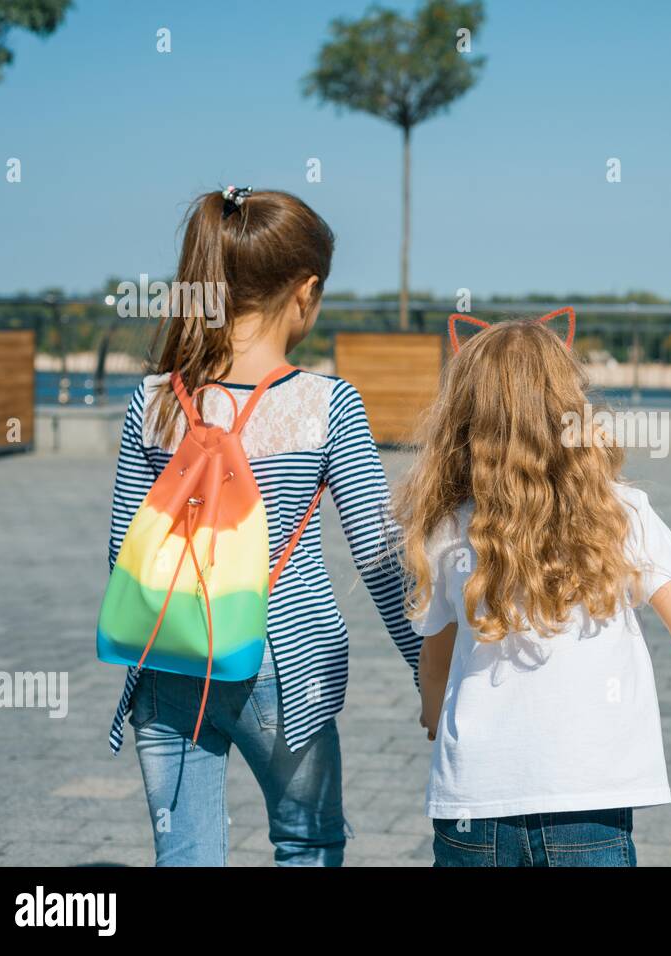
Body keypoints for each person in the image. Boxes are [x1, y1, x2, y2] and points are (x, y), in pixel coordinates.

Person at [398, 316, 671, 867]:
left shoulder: (447, 529)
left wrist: (434, 714)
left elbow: (434, 660)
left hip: (472, 807)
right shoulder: (620, 513)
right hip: (589, 803)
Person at [105, 187, 419, 865]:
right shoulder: (325, 403)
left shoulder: (156, 399)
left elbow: (123, 548)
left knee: (185, 853)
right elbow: (377, 553)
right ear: (305, 292)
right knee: (306, 841)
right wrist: (429, 663)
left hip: (167, 654)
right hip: (283, 658)